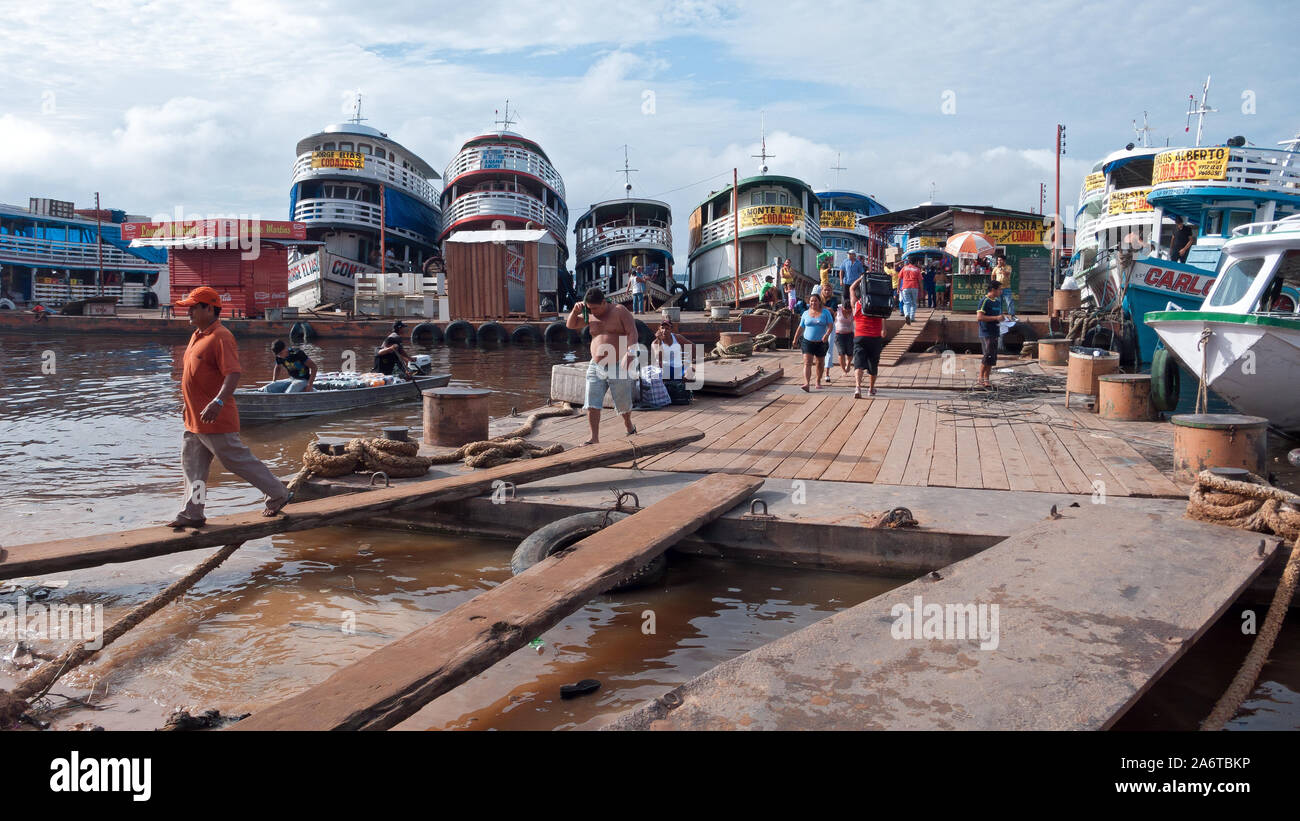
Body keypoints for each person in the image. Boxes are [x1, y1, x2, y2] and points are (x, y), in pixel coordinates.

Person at [167, 286, 291, 529]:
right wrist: (186, 405)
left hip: (215, 417)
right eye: (188, 308)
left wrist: (219, 401)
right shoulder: (197, 335)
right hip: (194, 418)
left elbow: (233, 373)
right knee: (193, 466)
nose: (188, 312)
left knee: (235, 459)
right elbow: (194, 376)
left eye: (193, 307)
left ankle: (277, 493)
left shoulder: (221, 336)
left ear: (209, 308)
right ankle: (193, 511)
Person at [566, 287, 638, 444]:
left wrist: (631, 355)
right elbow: (571, 325)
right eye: (590, 308)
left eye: (595, 308)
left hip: (619, 363)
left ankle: (628, 424)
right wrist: (574, 311)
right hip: (596, 365)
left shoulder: (620, 310)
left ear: (604, 302)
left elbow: (632, 332)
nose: (593, 311)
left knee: (623, 403)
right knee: (592, 402)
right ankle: (594, 437)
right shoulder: (589, 313)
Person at [849, 277, 886, 398]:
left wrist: (861, 277)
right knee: (873, 364)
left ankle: (858, 387)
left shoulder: (857, 304)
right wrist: (883, 328)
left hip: (860, 336)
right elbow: (884, 315)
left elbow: (851, 288)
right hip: (875, 337)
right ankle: (871, 388)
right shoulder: (878, 303)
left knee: (858, 363)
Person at [793, 291, 833, 391]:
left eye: (815, 301)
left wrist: (827, 334)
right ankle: (806, 383)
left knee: (820, 363)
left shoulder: (825, 312)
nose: (813, 303)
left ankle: (818, 381)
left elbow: (830, 326)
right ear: (808, 302)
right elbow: (800, 327)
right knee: (807, 362)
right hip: (807, 341)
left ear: (819, 302)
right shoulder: (805, 313)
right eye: (811, 301)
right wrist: (795, 339)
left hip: (821, 342)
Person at [976, 281, 1005, 389]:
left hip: (995, 332)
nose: (1001, 291)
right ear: (993, 289)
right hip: (986, 332)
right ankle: (980, 378)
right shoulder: (985, 301)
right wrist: (996, 318)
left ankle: (987, 379)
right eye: (999, 289)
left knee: (992, 357)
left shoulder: (997, 301)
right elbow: (979, 317)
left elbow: (997, 316)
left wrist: (1002, 319)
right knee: (987, 355)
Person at [898, 259, 923, 323]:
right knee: (913, 303)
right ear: (915, 263)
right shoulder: (917, 269)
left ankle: (907, 315)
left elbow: (899, 278)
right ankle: (912, 318)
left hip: (905, 287)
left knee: (906, 303)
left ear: (909, 262)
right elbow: (920, 281)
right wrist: (921, 291)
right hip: (914, 287)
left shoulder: (904, 268)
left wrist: (898, 288)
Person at [834, 300, 855, 376]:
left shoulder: (853, 310)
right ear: (843, 308)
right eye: (846, 310)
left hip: (849, 334)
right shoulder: (838, 309)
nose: (848, 312)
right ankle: (844, 370)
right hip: (839, 334)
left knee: (850, 352)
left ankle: (848, 363)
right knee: (841, 352)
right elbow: (832, 316)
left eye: (850, 311)